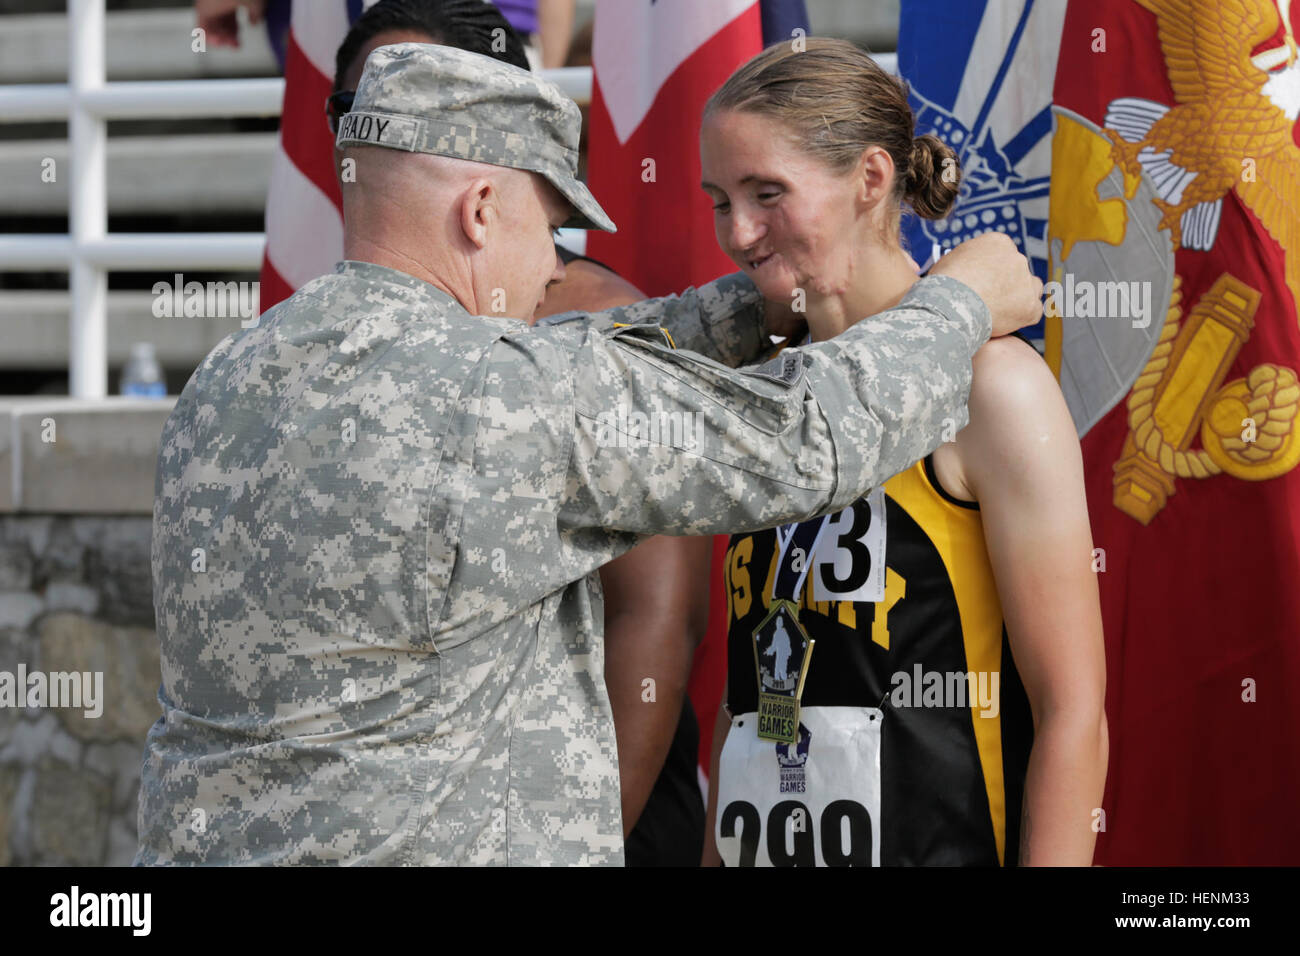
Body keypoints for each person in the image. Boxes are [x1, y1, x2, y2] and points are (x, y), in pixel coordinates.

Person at [135, 41, 1041, 865]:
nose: (552, 270)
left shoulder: (231, 374)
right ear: (482, 210)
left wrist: (750, 305)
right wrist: (957, 305)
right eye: (553, 226)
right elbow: (804, 441)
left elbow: (573, 361)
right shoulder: (496, 397)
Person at [697, 39, 1108, 867]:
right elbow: (751, 699)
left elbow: (1074, 711)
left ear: (872, 180)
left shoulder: (993, 386)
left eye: (768, 192)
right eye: (719, 199)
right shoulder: (755, 388)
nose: (739, 233)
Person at [328, 0, 710, 865]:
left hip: (591, 813)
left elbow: (658, 614)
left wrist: (590, 841)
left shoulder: (598, 323)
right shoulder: (326, 329)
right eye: (353, 107)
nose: (371, 131)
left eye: (411, 95)